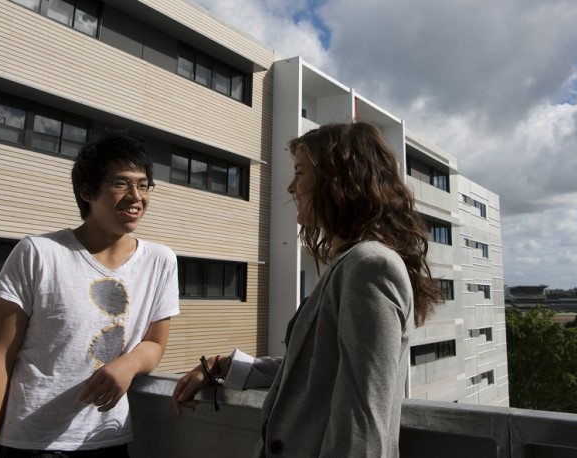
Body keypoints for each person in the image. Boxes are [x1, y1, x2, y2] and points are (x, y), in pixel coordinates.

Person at [172, 121, 441, 457]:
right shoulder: (351, 263)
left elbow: (363, 417)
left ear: (339, 179)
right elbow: (315, 369)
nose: (290, 187)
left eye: (300, 172)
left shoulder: (370, 266)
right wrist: (225, 366)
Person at [0, 131, 179, 458]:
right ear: (86, 191)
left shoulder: (160, 260)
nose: (135, 196)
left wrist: (129, 364)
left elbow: (155, 343)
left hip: (106, 440)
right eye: (121, 183)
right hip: (30, 444)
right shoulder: (38, 252)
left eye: (143, 184)